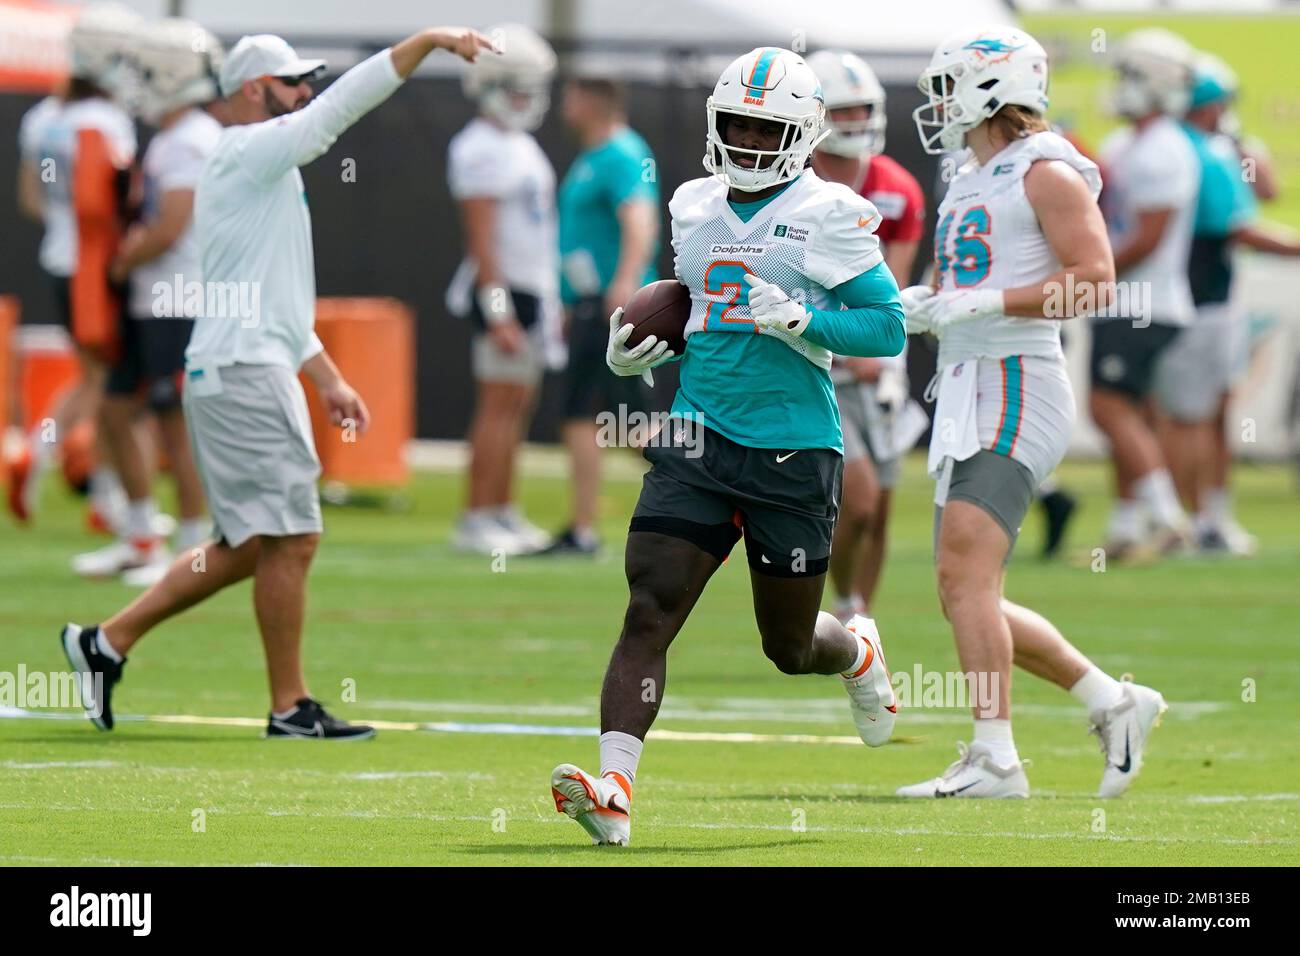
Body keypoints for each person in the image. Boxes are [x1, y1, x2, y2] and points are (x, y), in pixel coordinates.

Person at [59, 25, 497, 739]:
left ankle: (104, 643)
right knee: (293, 537)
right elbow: (337, 112)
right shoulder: (246, 148)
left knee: (252, 544)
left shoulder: (260, 163)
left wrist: (328, 378)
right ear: (256, 88)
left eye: (307, 80)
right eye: (293, 81)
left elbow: (275, 302)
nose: (305, 92)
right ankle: (290, 707)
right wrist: (423, 43)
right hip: (244, 375)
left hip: (242, 367)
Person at [550, 47, 905, 845]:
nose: (745, 140)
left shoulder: (830, 212)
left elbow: (887, 326)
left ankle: (854, 652)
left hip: (793, 447)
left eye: (764, 128)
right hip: (698, 435)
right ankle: (614, 790)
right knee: (649, 607)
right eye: (736, 124)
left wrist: (805, 320)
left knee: (788, 646)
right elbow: (696, 310)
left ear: (802, 134)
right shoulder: (693, 203)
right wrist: (633, 351)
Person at [896, 27, 1165, 799]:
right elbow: (967, 283)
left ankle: (995, 758)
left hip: (1017, 378)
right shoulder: (970, 174)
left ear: (991, 87)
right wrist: (929, 303)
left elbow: (1096, 279)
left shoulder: (1045, 169)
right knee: (965, 585)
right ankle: (1112, 701)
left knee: (964, 575)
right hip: (970, 381)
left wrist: (985, 302)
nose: (939, 104)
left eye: (949, 86)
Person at [72, 18, 225, 585]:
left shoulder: (191, 139)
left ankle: (193, 548)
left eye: (143, 69)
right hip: (152, 296)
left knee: (174, 424)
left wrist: (118, 263)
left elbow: (171, 225)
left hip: (176, 296)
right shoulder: (170, 135)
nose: (133, 81)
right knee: (115, 411)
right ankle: (141, 536)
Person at [1159, 52, 1300, 555]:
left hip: (1208, 298)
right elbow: (1241, 228)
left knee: (1211, 413)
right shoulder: (1195, 151)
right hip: (1194, 301)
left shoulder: (1206, 147)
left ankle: (1208, 518)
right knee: (1188, 417)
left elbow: (1266, 188)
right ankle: (1185, 522)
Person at [8, 2, 140, 530]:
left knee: (95, 378)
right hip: (97, 264)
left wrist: (65, 222)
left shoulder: (42, 118)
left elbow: (32, 198)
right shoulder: (106, 121)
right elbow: (116, 201)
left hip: (59, 256)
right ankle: (102, 493)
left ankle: (46, 457)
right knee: (113, 383)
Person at [807, 49, 927, 622]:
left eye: (862, 109)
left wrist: (875, 348)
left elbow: (892, 290)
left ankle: (861, 623)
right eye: (843, 110)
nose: (855, 121)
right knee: (856, 500)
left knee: (879, 508)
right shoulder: (795, 182)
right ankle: (841, 601)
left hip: (875, 361)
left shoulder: (896, 188)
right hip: (814, 355)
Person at [446, 23, 559, 555]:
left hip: (530, 289)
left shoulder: (519, 144)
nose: (524, 98)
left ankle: (501, 509)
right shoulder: (478, 147)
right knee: (496, 405)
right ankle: (476, 516)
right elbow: (481, 242)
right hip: (503, 290)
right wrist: (498, 312)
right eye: (515, 87)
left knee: (518, 404)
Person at [1092, 28, 1200, 560]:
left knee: (1107, 406)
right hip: (1129, 299)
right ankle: (1127, 525)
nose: (1120, 84)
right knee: (1129, 412)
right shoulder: (1125, 143)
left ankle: (1168, 515)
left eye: (1129, 75)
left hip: (1144, 300)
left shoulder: (1166, 148)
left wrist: (1090, 270)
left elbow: (1150, 236)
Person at [539, 75, 659, 556]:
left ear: (593, 102)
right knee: (585, 416)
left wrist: (625, 283)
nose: (564, 106)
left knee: (627, 423)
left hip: (613, 309)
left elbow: (640, 218)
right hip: (589, 306)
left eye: (571, 97)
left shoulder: (622, 153)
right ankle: (582, 528)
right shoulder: (593, 156)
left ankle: (715, 491)